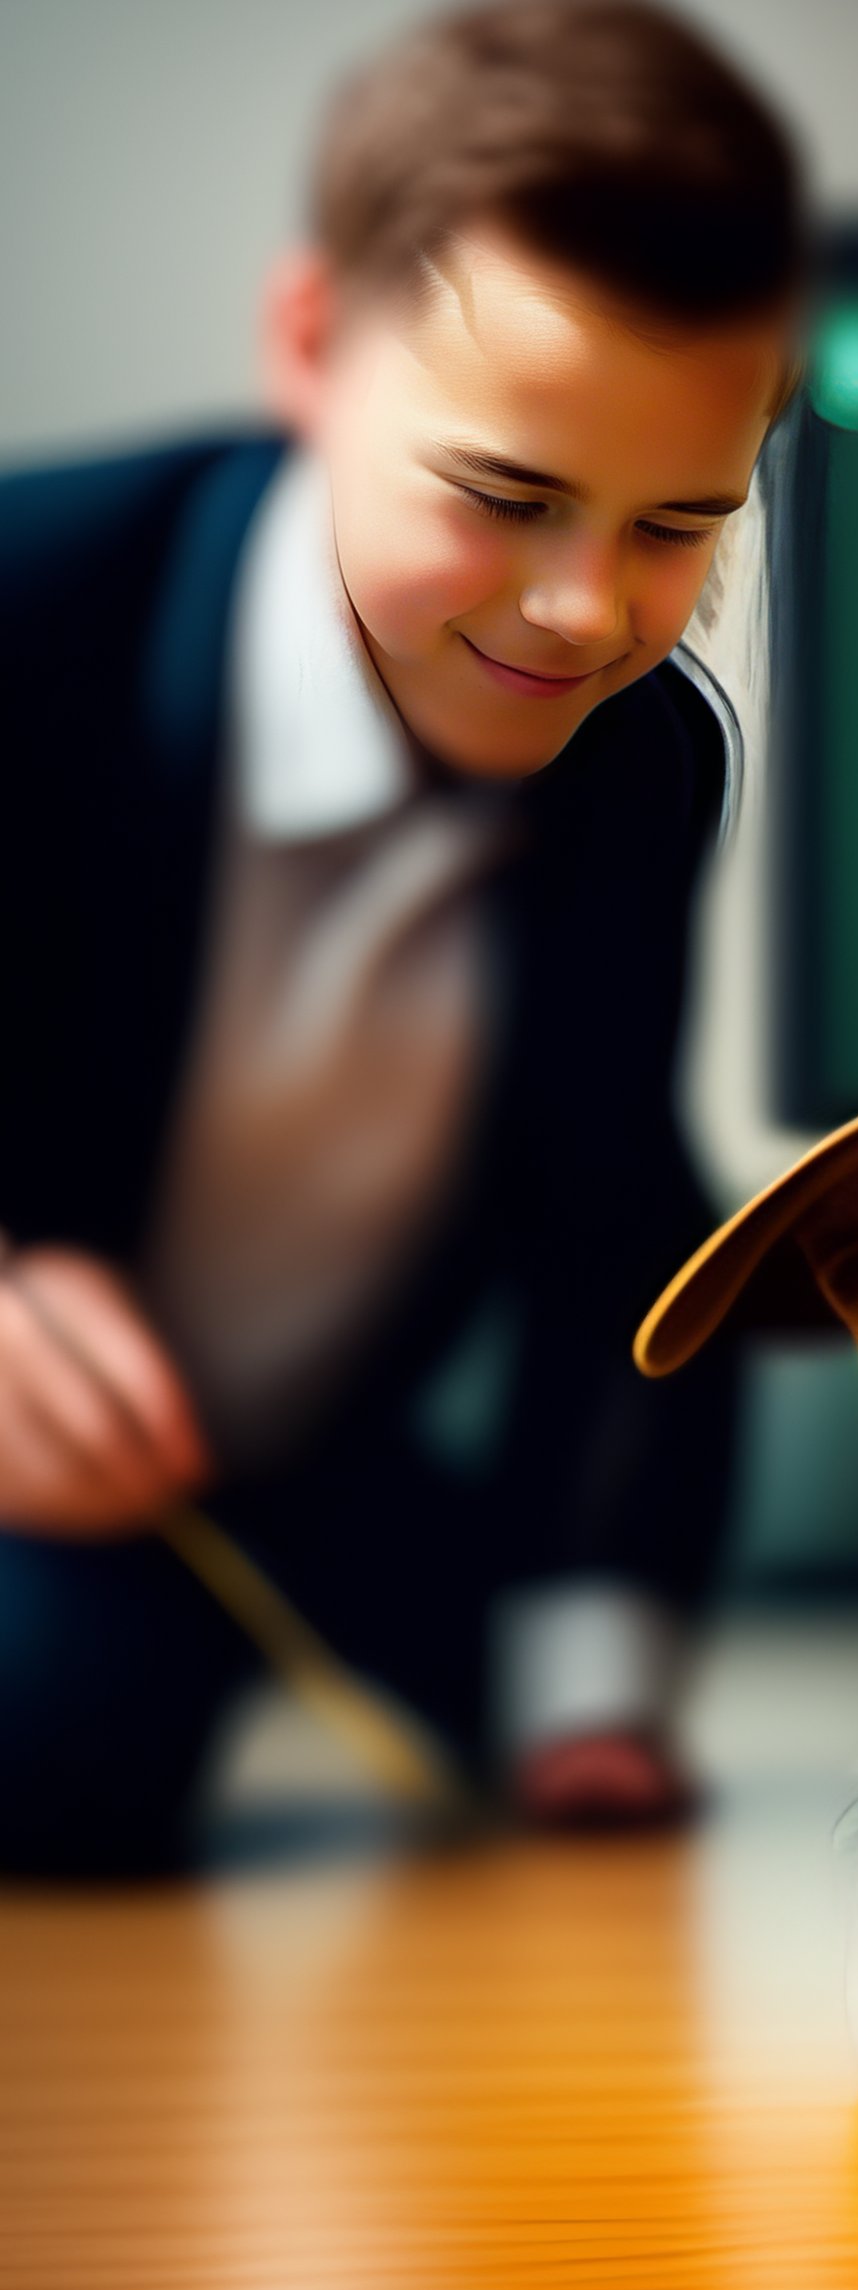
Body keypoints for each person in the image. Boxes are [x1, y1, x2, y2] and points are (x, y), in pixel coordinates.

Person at [0, 2, 805, 1871]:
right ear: (306, 345)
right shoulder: (30, 621)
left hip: (315, 1469)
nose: (583, 615)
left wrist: (591, 1689)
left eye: (680, 525)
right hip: (56, 1482)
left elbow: (608, 1199)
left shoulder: (646, 756)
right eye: (507, 496)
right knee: (69, 1742)